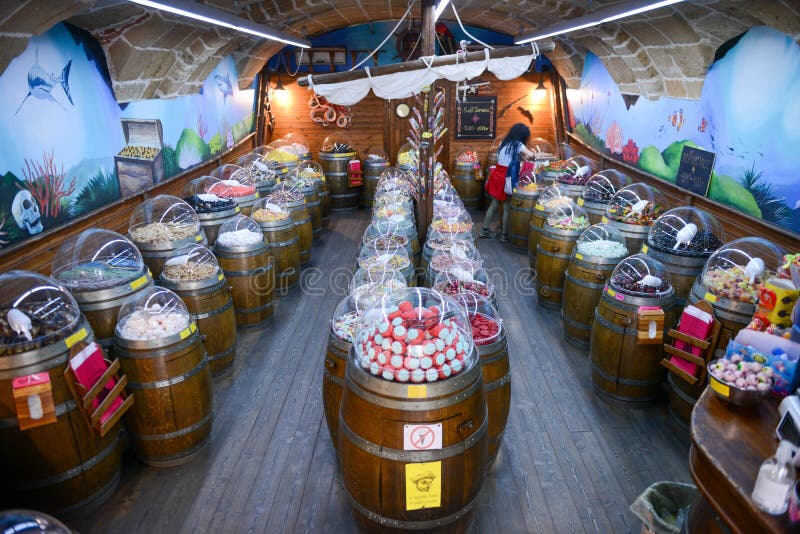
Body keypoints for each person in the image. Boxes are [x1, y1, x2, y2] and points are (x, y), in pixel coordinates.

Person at [480, 123, 534, 243]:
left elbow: (506, 158)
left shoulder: (503, 143)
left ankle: (483, 230)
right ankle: (504, 235)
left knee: (494, 204)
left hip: (497, 174)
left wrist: (522, 157)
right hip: (507, 177)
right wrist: (535, 155)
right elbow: (531, 154)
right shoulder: (518, 144)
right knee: (506, 207)